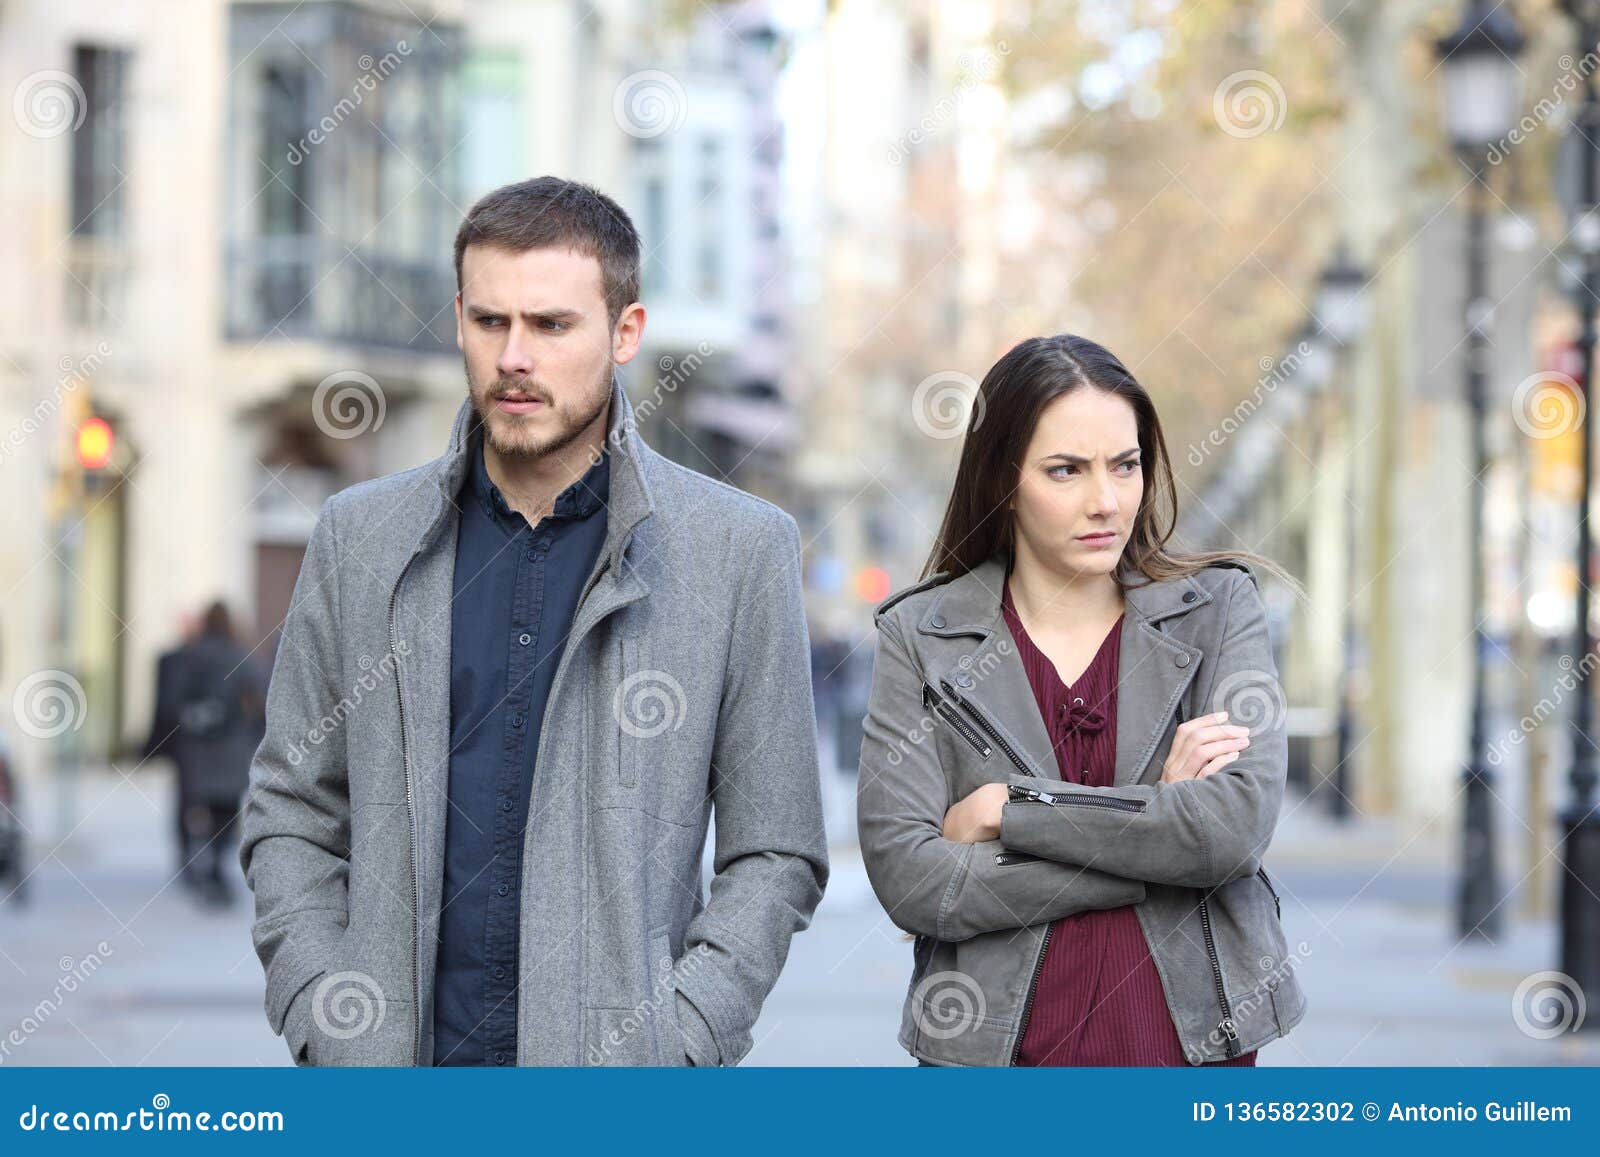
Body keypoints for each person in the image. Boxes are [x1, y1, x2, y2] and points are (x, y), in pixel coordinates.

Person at [239, 176, 827, 1067]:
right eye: (489, 322)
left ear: (625, 333)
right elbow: (290, 806)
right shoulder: (360, 539)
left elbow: (777, 849)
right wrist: (326, 1016)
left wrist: (681, 1039)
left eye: (552, 326)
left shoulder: (738, 552)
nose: (515, 356)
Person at [857, 333, 1308, 1067]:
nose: (1106, 501)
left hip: (1190, 1059)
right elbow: (914, 881)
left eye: (1124, 466)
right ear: (1004, 480)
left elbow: (1231, 833)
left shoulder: (1218, 608)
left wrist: (1012, 809)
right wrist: (1156, 823)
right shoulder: (922, 635)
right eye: (1065, 470)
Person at [171, 602, 266, 907]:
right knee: (226, 809)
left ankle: (200, 862)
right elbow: (261, 693)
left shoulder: (191, 656)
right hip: (231, 744)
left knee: (198, 806)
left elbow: (175, 697)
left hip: (198, 744)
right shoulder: (238, 655)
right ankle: (216, 865)